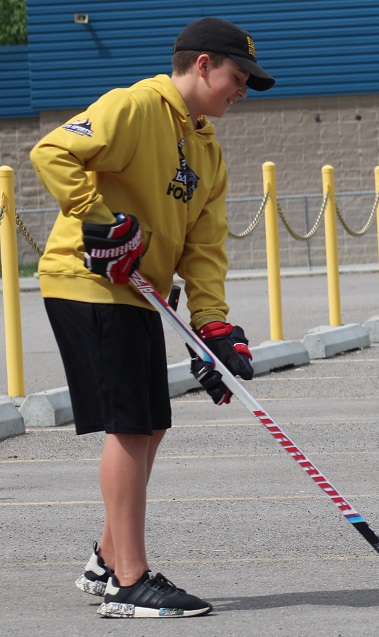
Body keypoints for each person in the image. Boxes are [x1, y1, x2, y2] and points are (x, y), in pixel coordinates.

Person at [29, 17, 274, 618]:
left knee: (152, 425)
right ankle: (128, 583)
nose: (240, 92)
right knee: (130, 425)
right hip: (88, 282)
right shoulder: (135, 106)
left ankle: (106, 559)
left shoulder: (209, 153)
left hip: (139, 293)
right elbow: (53, 151)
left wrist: (212, 326)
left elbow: (205, 248)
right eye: (237, 78)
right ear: (202, 65)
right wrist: (101, 218)